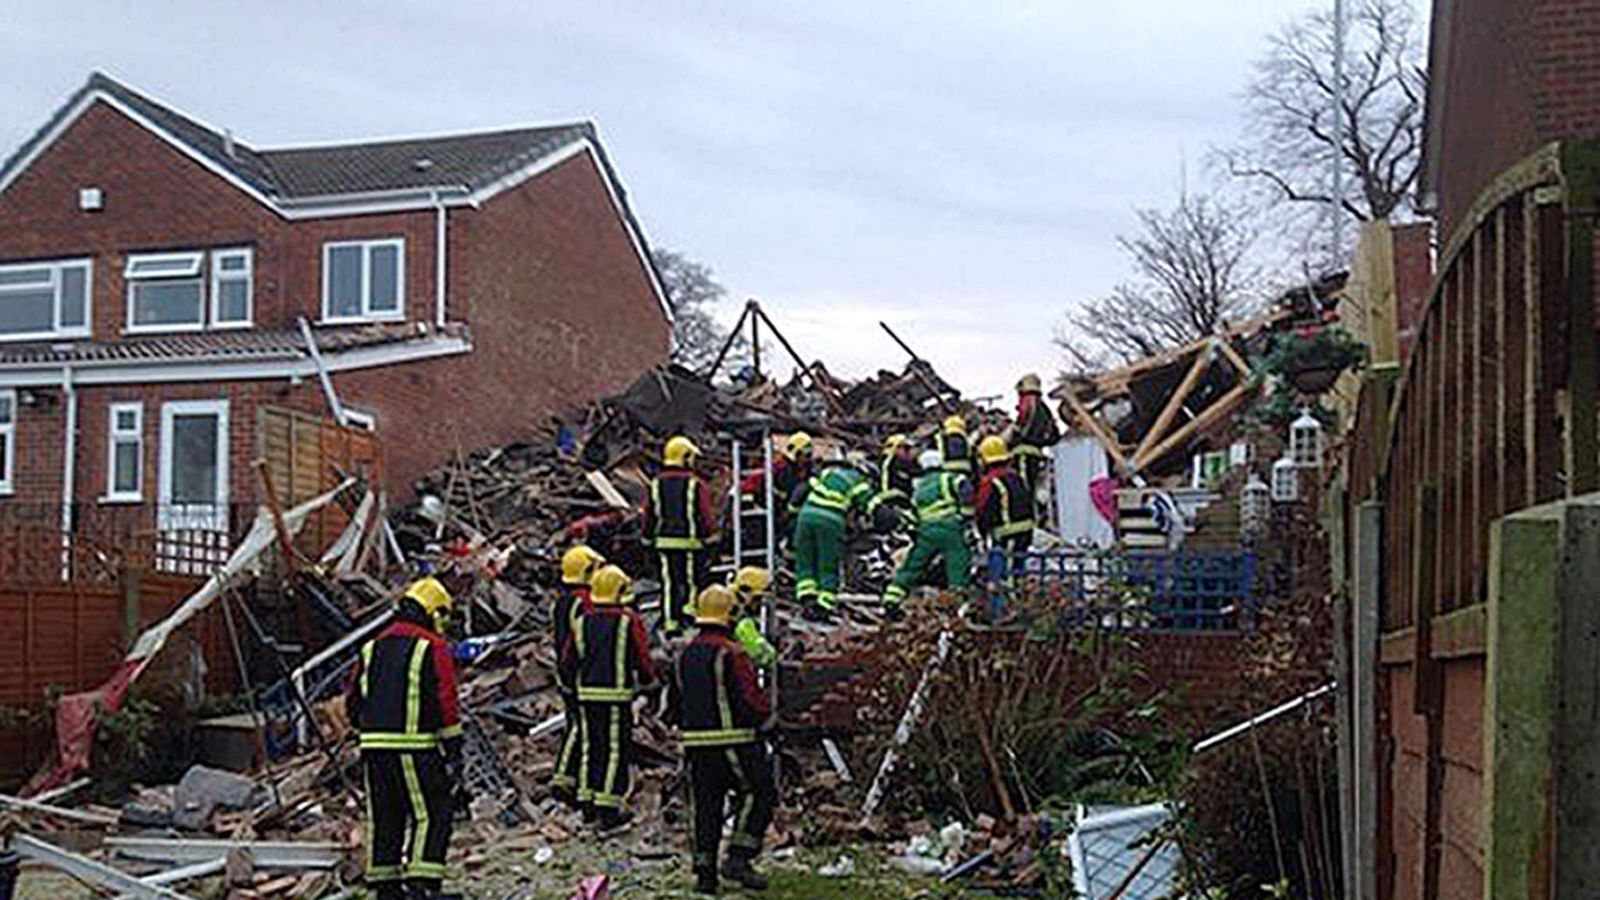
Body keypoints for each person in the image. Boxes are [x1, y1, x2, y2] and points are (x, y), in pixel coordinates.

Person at [347, 577, 463, 900]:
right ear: (432, 612)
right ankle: (423, 885)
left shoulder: (372, 646)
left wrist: (367, 730)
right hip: (415, 747)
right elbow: (445, 700)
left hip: (373, 748)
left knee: (386, 815)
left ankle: (386, 887)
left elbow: (353, 699)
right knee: (432, 812)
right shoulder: (432, 646)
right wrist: (453, 748)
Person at [668, 585, 777, 895]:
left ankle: (705, 875)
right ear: (730, 615)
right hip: (735, 742)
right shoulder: (732, 653)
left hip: (696, 746)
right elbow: (749, 697)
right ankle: (739, 858)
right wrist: (768, 722)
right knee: (760, 792)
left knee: (706, 807)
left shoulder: (683, 655)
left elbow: (674, 704)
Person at [563, 565, 659, 831]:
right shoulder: (628, 621)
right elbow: (642, 657)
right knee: (615, 750)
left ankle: (587, 803)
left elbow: (568, 660)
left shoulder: (581, 622)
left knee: (591, 748)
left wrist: (570, 689)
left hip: (586, 695)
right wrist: (651, 684)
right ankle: (608, 808)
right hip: (616, 696)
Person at [882, 450, 975, 619]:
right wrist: (965, 516)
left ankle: (891, 600)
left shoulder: (919, 486)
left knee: (911, 566)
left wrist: (909, 528)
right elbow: (966, 490)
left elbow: (913, 514)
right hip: (950, 529)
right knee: (957, 566)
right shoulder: (949, 478)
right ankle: (956, 608)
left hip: (926, 532)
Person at [643, 436, 719, 637]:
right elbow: (705, 514)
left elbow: (649, 514)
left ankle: (670, 624)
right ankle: (690, 615)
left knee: (669, 584)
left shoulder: (656, 484)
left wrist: (646, 539)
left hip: (664, 544)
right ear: (685, 458)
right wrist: (712, 537)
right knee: (692, 581)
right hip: (690, 544)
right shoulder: (695, 485)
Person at [790, 449, 874, 623]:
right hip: (831, 521)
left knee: (805, 560)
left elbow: (802, 490)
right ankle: (823, 608)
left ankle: (807, 599)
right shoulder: (858, 482)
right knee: (827, 564)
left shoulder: (828, 473)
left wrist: (792, 512)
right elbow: (871, 506)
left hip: (805, 517)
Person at [551, 545, 604, 808]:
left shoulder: (563, 601)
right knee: (581, 728)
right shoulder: (583, 602)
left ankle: (567, 778)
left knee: (576, 724)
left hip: (565, 669)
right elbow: (581, 641)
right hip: (577, 672)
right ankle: (568, 780)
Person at [974, 436, 1036, 581]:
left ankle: (1011, 601)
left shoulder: (990, 481)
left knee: (1007, 574)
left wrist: (982, 533)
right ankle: (1021, 595)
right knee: (1018, 567)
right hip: (1026, 531)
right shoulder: (1016, 477)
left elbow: (983, 509)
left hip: (1007, 532)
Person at [1008, 373, 1061, 491]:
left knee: (1024, 489)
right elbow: (1055, 436)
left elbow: (1020, 429)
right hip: (1038, 456)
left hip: (1024, 456)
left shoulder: (1027, 404)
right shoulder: (1045, 409)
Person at [731, 566, 778, 669]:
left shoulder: (721, 601)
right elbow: (762, 654)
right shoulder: (740, 621)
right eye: (758, 598)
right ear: (745, 592)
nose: (758, 604)